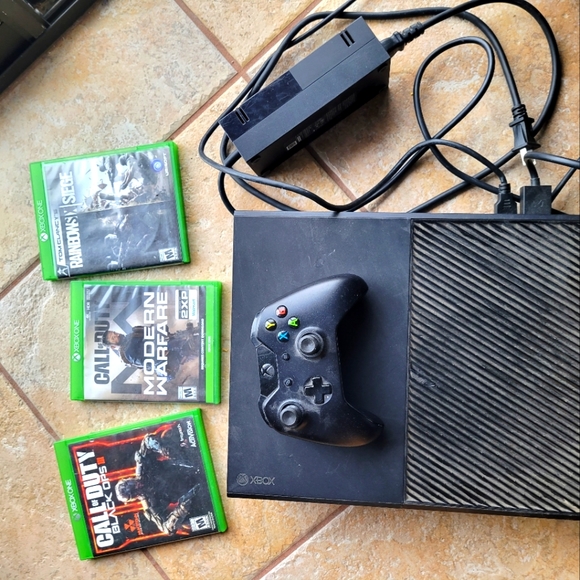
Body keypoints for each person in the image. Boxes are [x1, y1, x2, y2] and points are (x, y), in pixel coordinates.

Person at [114, 432, 201, 534]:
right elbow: (166, 528)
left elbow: (147, 441)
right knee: (186, 522)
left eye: (132, 484)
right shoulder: (150, 506)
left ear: (129, 479)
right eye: (134, 491)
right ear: (133, 497)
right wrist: (180, 511)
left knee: (167, 438)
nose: (138, 486)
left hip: (187, 461)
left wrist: (162, 449)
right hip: (195, 490)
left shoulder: (143, 468)